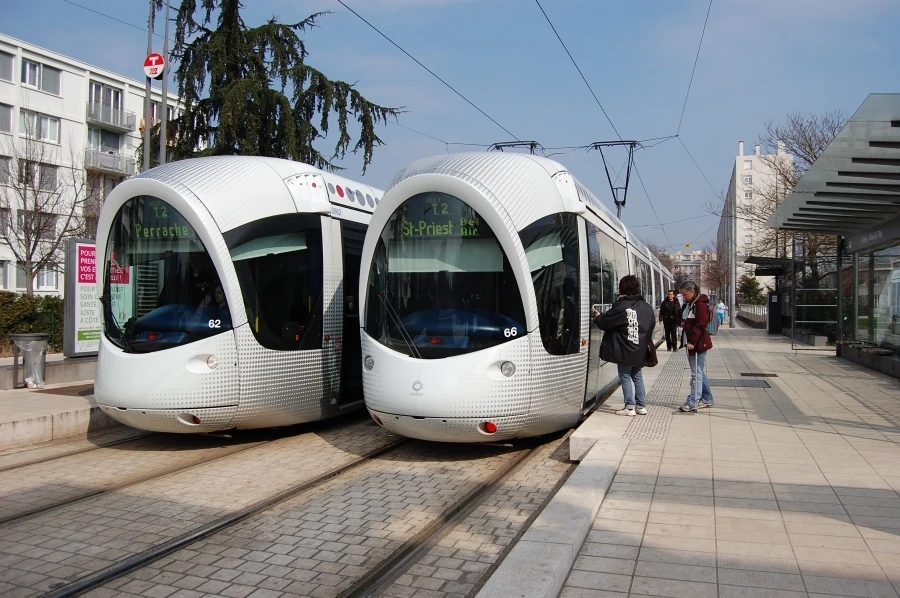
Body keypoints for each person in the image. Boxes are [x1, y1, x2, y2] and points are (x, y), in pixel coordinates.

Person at [592, 275, 655, 417]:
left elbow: (606, 322)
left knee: (625, 375)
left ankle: (629, 406)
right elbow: (651, 325)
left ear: (623, 288)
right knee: (637, 376)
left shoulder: (622, 305)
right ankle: (641, 406)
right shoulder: (646, 307)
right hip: (640, 348)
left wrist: (598, 317)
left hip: (625, 349)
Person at [678, 280, 714, 412]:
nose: (683, 297)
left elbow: (700, 325)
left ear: (693, 292)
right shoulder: (691, 305)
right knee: (699, 372)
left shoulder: (700, 306)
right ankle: (707, 398)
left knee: (696, 374)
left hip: (698, 344)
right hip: (692, 343)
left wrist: (692, 341)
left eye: (685, 294)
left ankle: (693, 401)